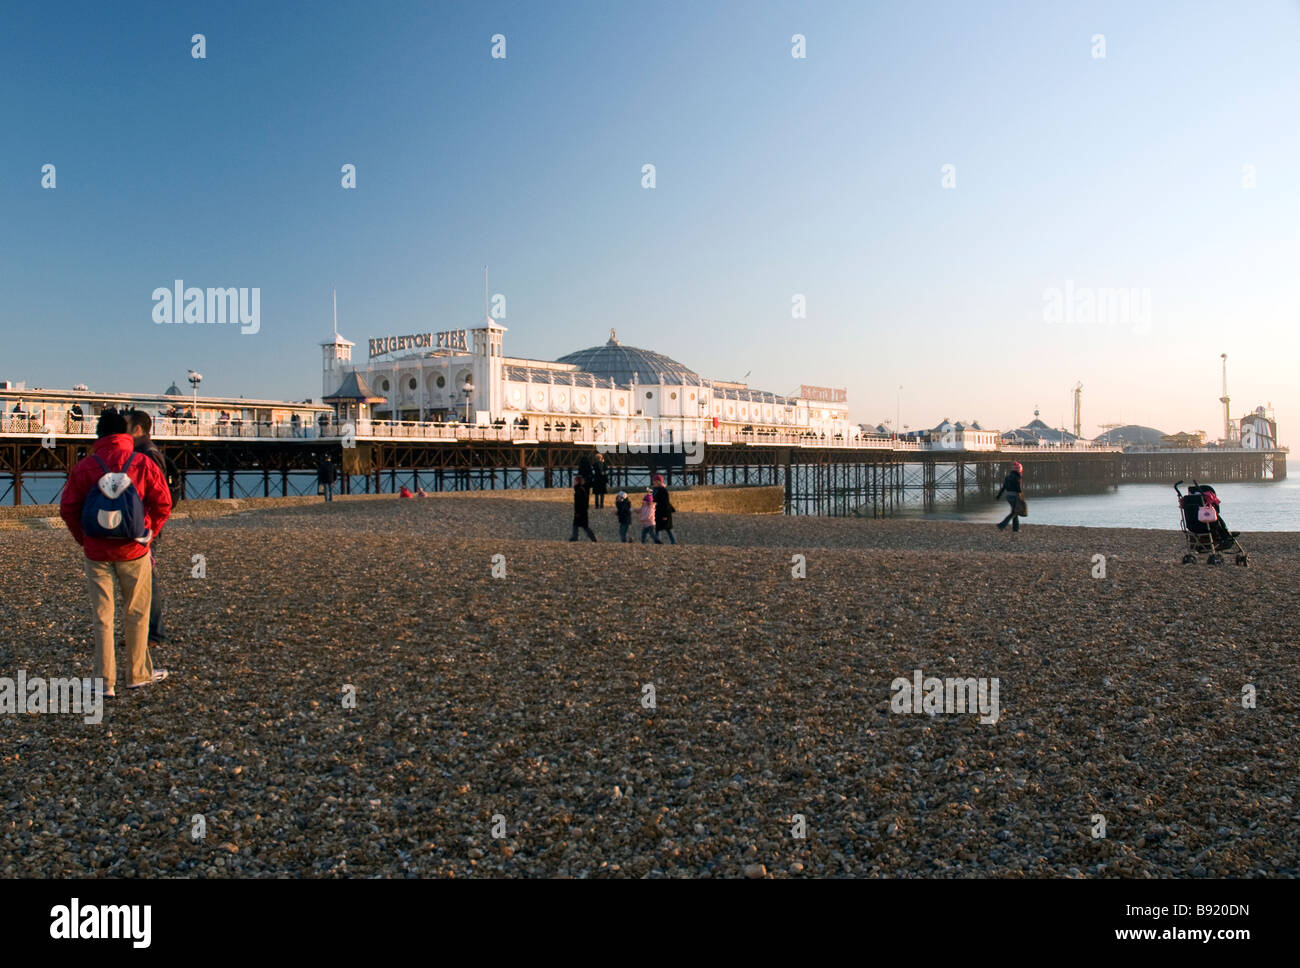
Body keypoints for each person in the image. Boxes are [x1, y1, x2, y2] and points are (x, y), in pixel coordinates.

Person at [59, 409, 172, 696]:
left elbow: (68, 508)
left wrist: (84, 539)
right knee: (136, 612)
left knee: (102, 617)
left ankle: (104, 682)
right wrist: (148, 534)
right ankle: (137, 674)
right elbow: (163, 503)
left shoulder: (86, 466)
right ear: (124, 434)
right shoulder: (142, 462)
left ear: (99, 436)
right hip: (134, 550)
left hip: (97, 552)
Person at [129, 410, 181, 650]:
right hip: (144, 525)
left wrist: (151, 528)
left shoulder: (148, 455)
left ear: (138, 429)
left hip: (147, 526)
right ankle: (142, 633)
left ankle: (155, 634)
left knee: (147, 578)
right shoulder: (145, 453)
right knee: (139, 578)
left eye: (126, 425)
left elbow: (159, 498)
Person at [996, 461, 1024, 532]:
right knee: (1014, 512)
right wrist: (1021, 496)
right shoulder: (1017, 476)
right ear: (1019, 469)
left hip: (1008, 496)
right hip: (1015, 496)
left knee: (1015, 511)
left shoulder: (1007, 477)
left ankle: (1015, 528)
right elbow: (1018, 488)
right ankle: (1002, 525)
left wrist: (999, 495)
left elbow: (1004, 487)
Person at [570, 474, 597, 542]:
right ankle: (575, 537)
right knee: (580, 525)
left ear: (578, 482)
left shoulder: (579, 490)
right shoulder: (580, 489)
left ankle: (592, 538)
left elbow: (580, 503)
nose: (574, 482)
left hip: (581, 511)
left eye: (575, 481)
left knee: (582, 526)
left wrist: (578, 512)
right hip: (582, 511)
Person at [652, 473, 677, 544]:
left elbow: (665, 503)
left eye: (654, 481)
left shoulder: (663, 491)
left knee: (668, 528)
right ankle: (658, 542)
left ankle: (673, 542)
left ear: (658, 481)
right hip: (658, 512)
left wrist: (665, 515)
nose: (653, 482)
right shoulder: (655, 490)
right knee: (658, 527)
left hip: (664, 512)